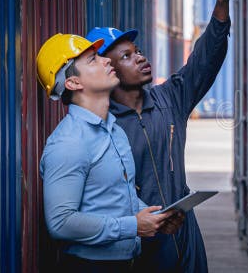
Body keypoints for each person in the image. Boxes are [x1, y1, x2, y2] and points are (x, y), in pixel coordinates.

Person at [85, 0, 245, 272]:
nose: (141, 58)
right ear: (108, 70)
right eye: (127, 57)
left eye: (139, 51)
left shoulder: (169, 99)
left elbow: (205, 60)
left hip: (185, 242)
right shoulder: (103, 127)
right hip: (139, 251)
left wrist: (221, 3)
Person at [36, 33, 184, 272]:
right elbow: (61, 222)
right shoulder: (69, 143)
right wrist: (133, 226)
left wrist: (155, 217)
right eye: (93, 60)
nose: (106, 61)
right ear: (74, 83)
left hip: (127, 263)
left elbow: (116, 197)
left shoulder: (114, 130)